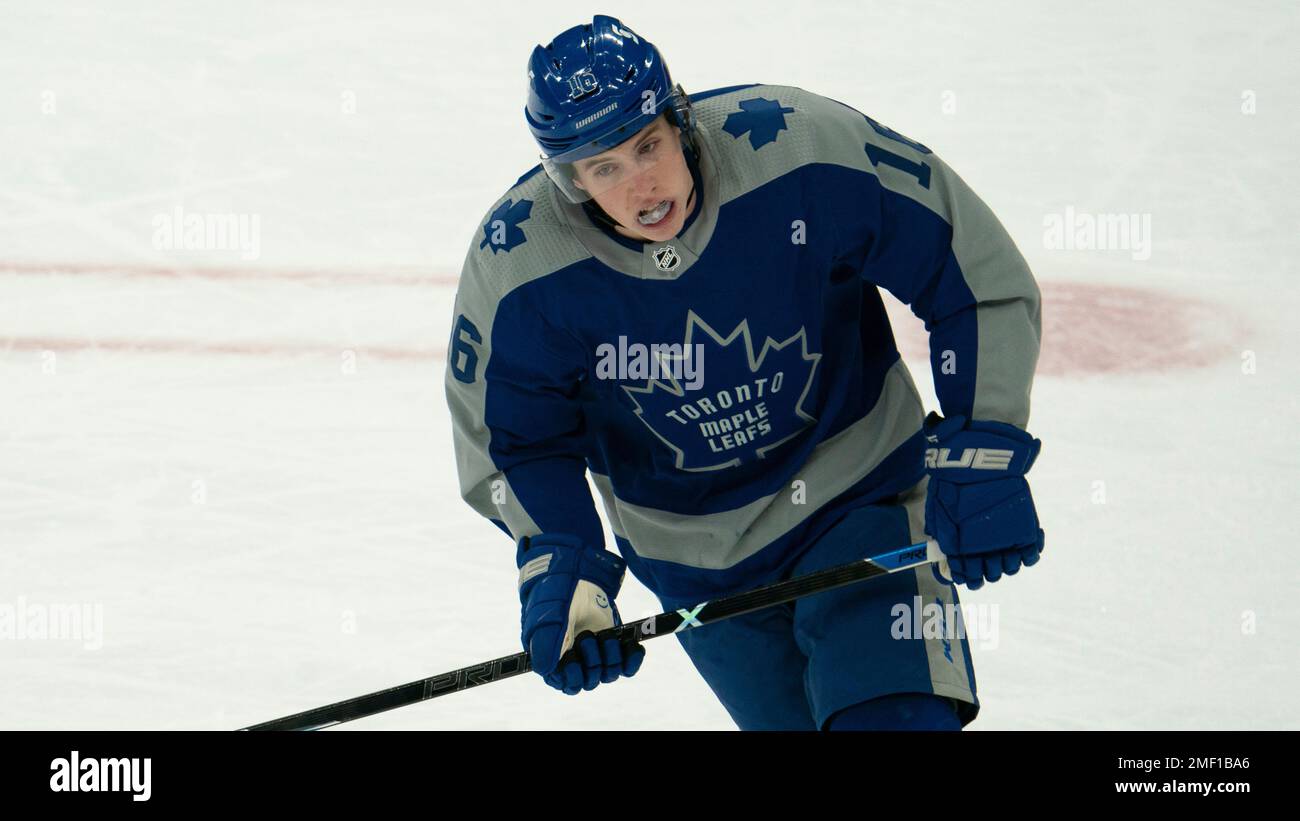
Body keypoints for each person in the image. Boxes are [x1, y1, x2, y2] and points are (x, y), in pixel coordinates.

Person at [445, 15, 1045, 730]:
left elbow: (968, 270)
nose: (643, 185)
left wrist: (982, 444)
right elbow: (517, 442)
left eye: (649, 146)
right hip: (697, 567)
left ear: (681, 120)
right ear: (568, 180)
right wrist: (562, 559)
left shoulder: (800, 151)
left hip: (862, 505)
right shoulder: (519, 266)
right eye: (605, 167)